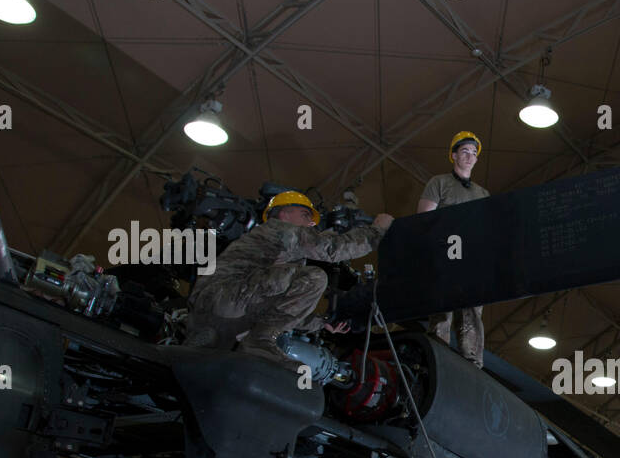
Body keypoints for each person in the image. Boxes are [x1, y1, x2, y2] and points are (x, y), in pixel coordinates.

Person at [185, 190, 392, 368]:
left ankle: (250, 341)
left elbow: (276, 309)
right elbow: (333, 249)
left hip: (217, 316)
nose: (310, 223)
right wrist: (377, 230)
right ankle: (261, 340)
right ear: (284, 214)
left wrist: (320, 323)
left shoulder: (273, 251)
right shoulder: (280, 229)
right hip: (225, 297)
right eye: (304, 215)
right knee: (314, 277)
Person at [417, 131, 489, 367]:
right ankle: (438, 356)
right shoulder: (439, 183)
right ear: (454, 155)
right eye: (465, 151)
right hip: (445, 253)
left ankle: (472, 361)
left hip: (473, 257)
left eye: (473, 153)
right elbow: (424, 218)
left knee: (471, 310)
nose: (469, 156)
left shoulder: (482, 193)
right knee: (443, 309)